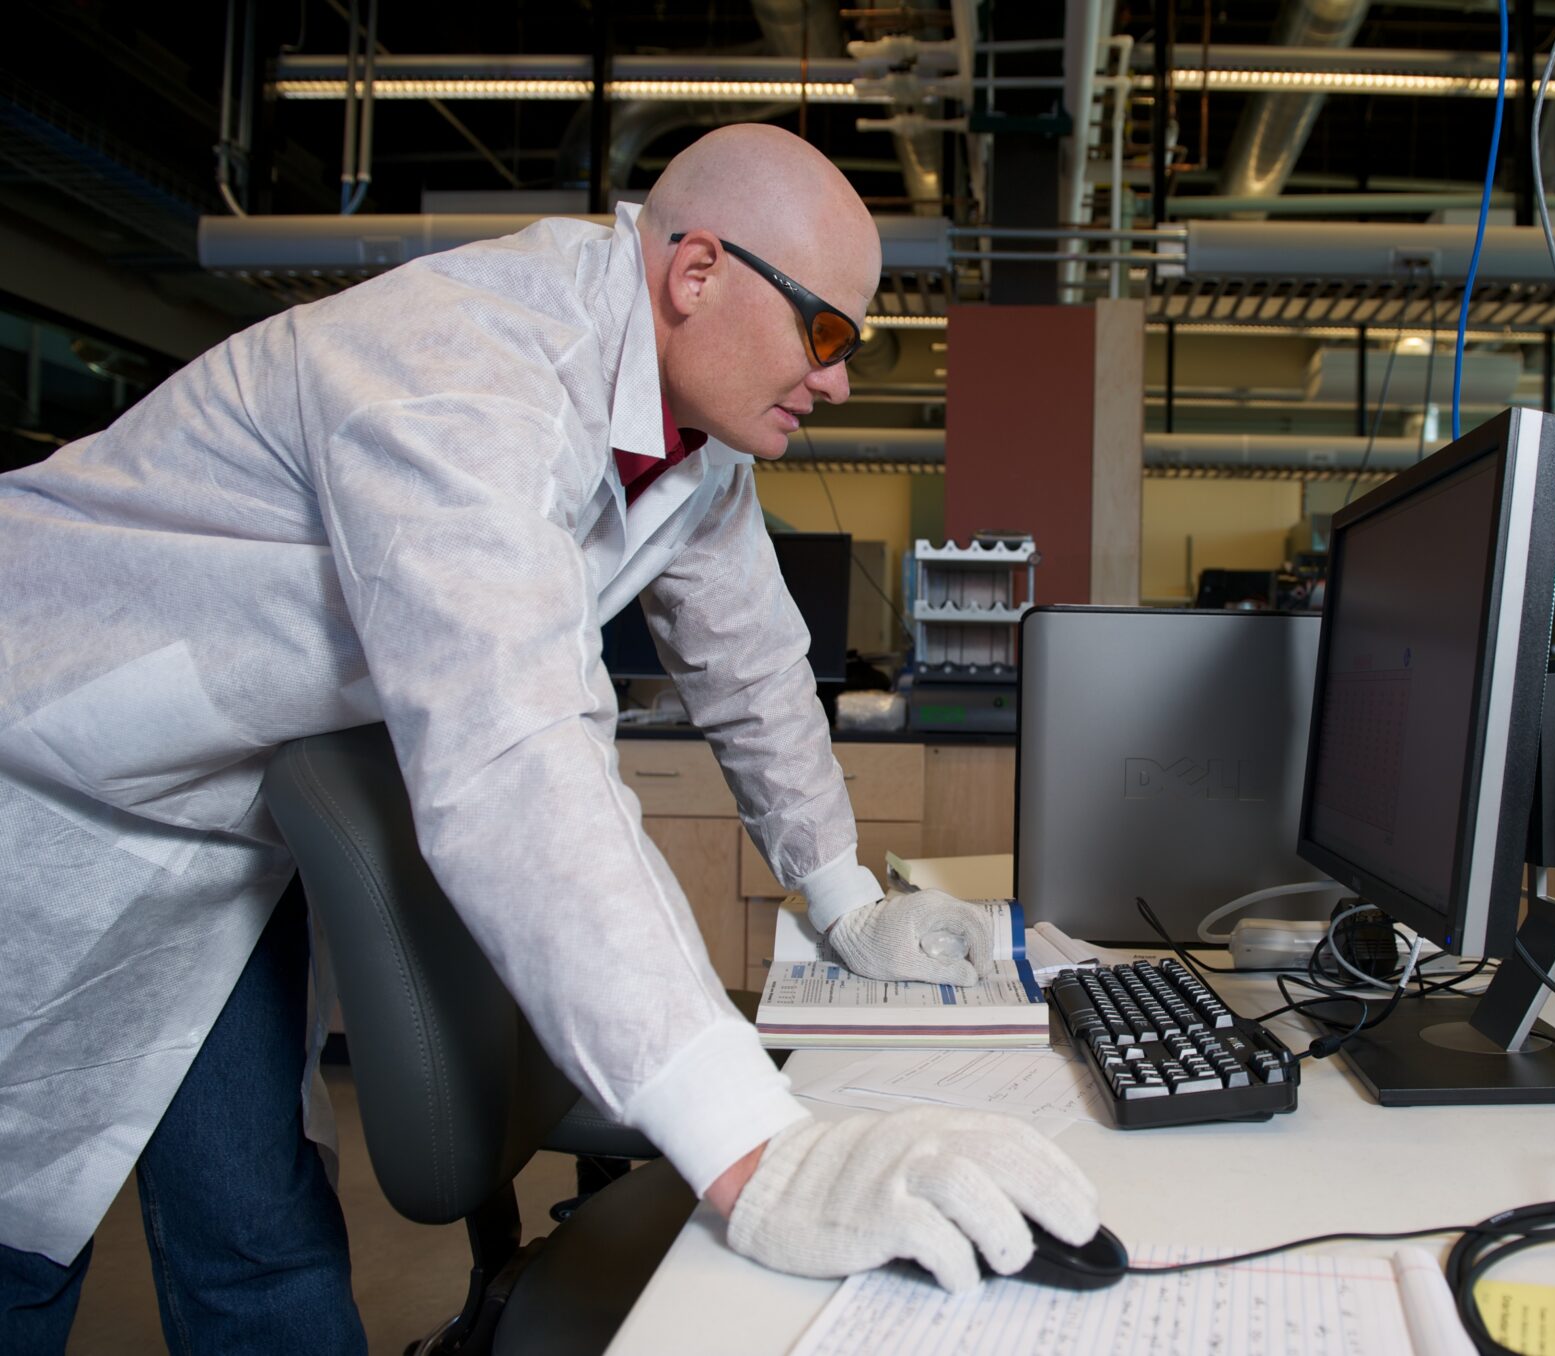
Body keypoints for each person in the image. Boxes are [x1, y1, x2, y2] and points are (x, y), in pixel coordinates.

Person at [0, 124, 1098, 1353]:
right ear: (696, 274)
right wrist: (753, 1150)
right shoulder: (465, 366)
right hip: (44, 793)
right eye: (826, 333)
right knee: (16, 1243)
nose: (838, 378)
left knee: (254, 1234)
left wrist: (844, 900)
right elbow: (511, 746)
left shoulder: (693, 449)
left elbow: (752, 672)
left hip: (208, 824)